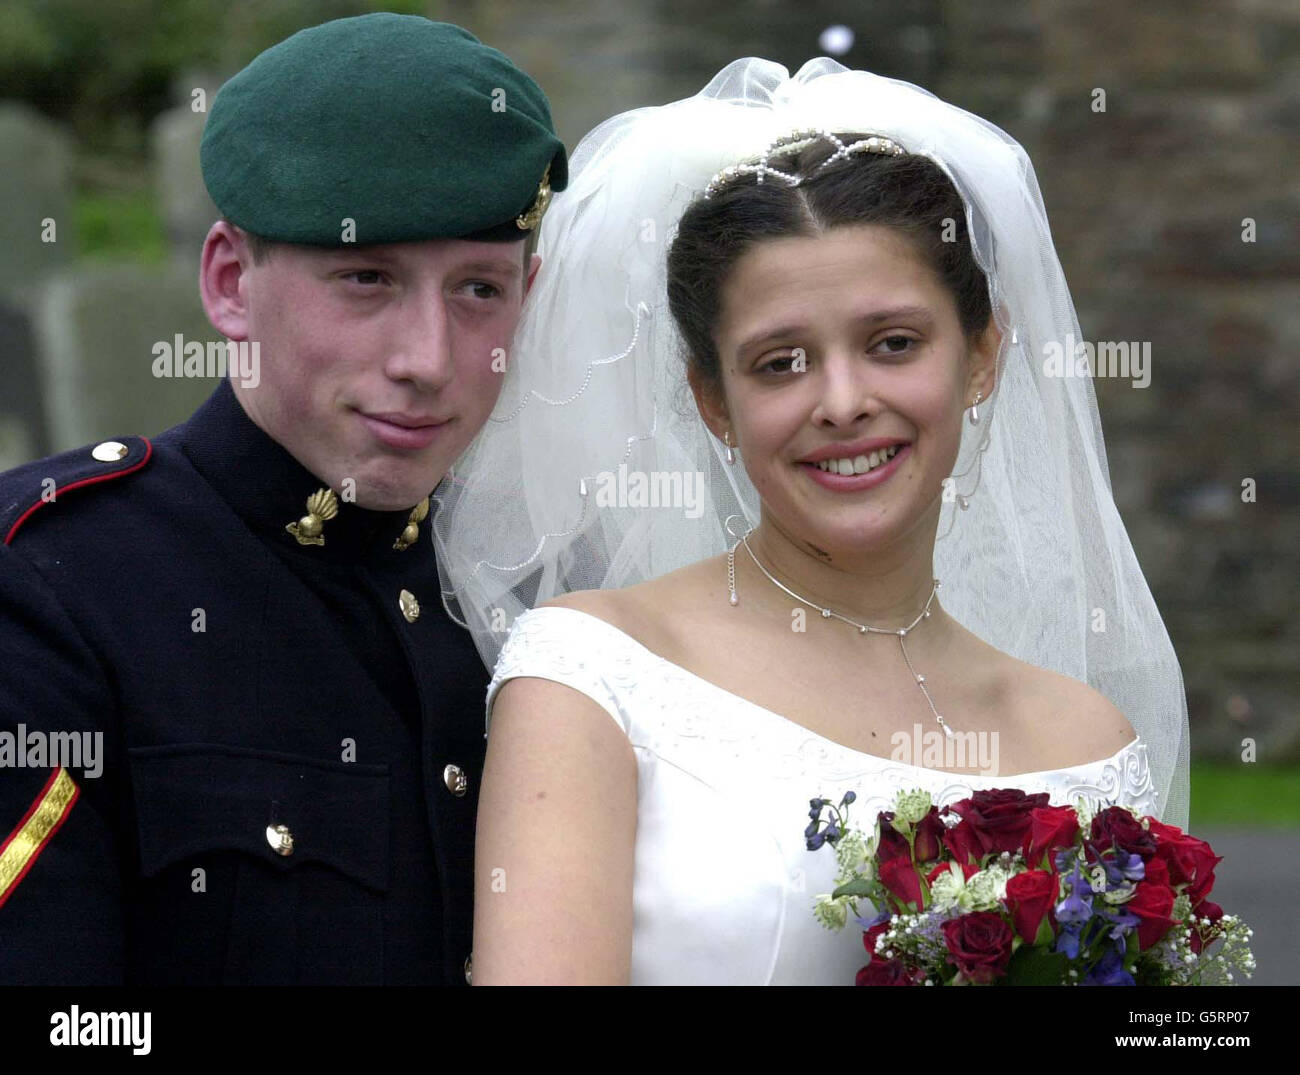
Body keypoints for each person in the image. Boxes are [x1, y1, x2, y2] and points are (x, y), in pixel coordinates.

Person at [434, 58, 1191, 985]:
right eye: (781, 362)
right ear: (713, 400)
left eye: (893, 344)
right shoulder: (592, 674)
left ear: (983, 356)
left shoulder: (1087, 738)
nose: (843, 401)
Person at [0, 13, 566, 985]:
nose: (427, 362)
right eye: (365, 279)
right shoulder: (51, 583)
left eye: (479, 290)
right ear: (228, 283)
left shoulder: (547, 585)